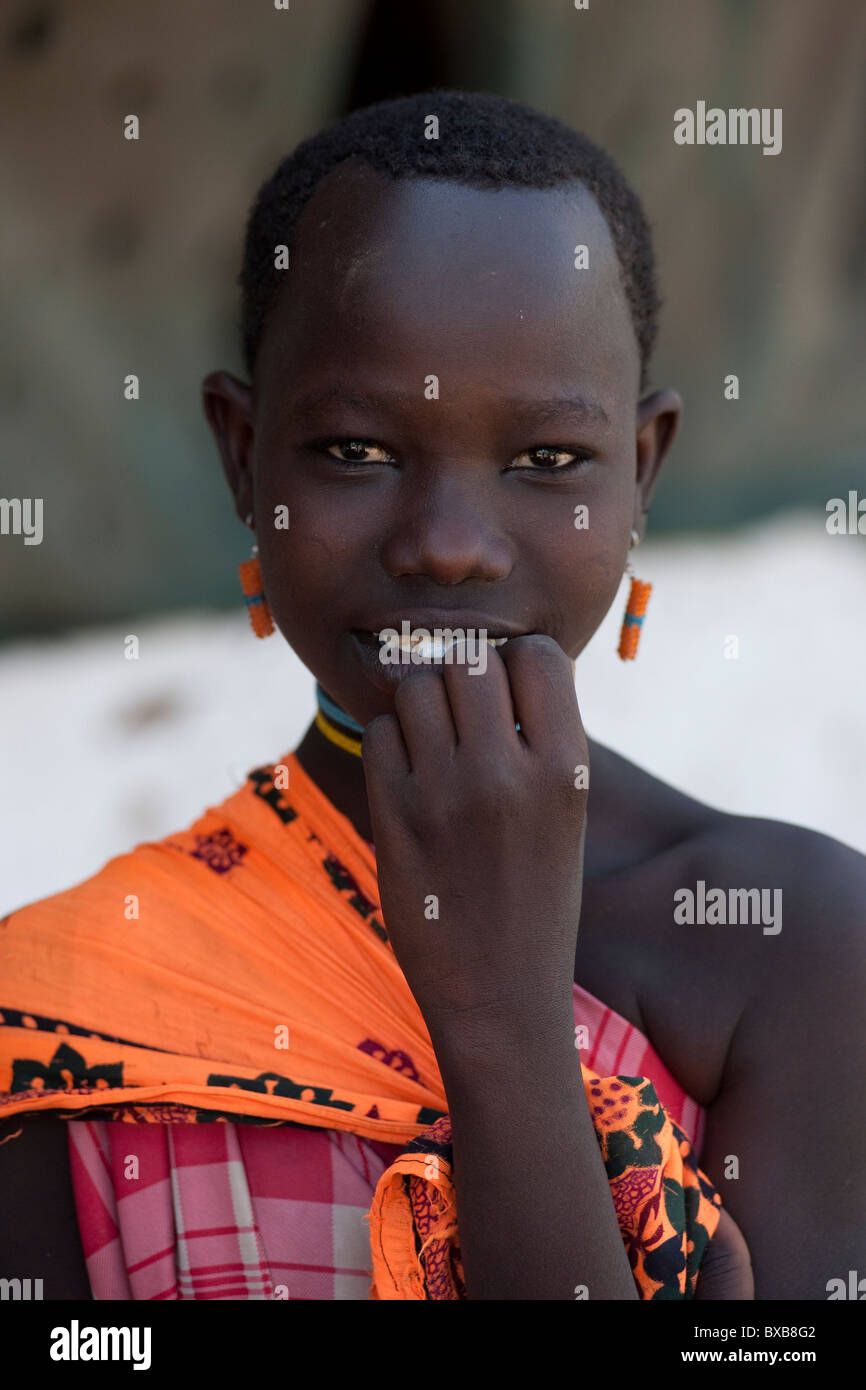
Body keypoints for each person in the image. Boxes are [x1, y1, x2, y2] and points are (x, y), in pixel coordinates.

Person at [2, 89, 862, 1301]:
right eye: (357, 451)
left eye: (546, 460)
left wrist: (501, 1012)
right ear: (243, 459)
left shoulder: (796, 942)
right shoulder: (65, 1013)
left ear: (640, 470)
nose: (449, 544)